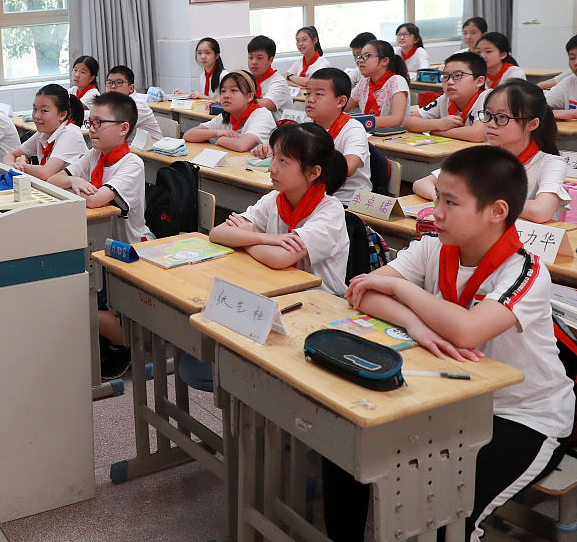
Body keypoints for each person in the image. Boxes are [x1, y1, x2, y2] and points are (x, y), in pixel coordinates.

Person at [335, 146, 572, 541]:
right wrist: (417, 325)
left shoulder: (525, 270)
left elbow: (468, 332)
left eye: (450, 202)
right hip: (451, 397)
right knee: (350, 451)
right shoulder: (435, 247)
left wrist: (397, 287)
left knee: (449, 517)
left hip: (524, 415)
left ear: (496, 211)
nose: (435, 211)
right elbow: (361, 291)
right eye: (436, 197)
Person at [49, 91, 151, 378]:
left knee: (81, 305)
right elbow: (53, 179)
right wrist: (73, 179)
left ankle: (124, 342)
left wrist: (77, 187)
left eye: (98, 123)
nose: (90, 129)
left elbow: (96, 201)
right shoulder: (95, 155)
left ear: (123, 128)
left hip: (127, 250)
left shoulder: (131, 164)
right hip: (98, 243)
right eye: (89, 122)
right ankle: (107, 334)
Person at [211, 123, 351, 296]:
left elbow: (280, 258)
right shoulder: (276, 198)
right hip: (274, 287)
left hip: (319, 302)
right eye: (274, 156)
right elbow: (217, 233)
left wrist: (245, 240)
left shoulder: (330, 211)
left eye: (283, 161)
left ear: (314, 172)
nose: (271, 167)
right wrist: (266, 239)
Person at [413, 80, 570, 222]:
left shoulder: (551, 163)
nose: (491, 124)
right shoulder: (483, 155)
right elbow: (422, 183)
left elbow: (540, 211)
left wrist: (477, 201)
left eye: (502, 117)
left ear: (532, 124)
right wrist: (444, 198)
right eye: (488, 115)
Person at [255, 67, 370, 206]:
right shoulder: (306, 126)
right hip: (309, 196)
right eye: (308, 93)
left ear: (340, 101)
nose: (310, 99)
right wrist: (274, 153)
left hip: (346, 203)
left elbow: (348, 167)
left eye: (319, 95)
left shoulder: (353, 129)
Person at [4, 84, 87, 180]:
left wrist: (20, 165)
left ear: (62, 115)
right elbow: (10, 155)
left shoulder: (70, 133)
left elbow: (46, 173)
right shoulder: (43, 133)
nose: (36, 116)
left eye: (44, 110)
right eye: (35, 109)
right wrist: (12, 165)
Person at [183, 70, 277, 152]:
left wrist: (220, 140)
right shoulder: (226, 115)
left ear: (250, 96)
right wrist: (216, 132)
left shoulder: (262, 115)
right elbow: (188, 135)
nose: (226, 95)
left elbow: (241, 145)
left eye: (233, 90)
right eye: (223, 91)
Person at [404, 51, 489, 142]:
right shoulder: (445, 99)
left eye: (458, 76)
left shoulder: (489, 99)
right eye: (445, 76)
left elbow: (477, 134)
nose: (449, 82)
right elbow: (409, 122)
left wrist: (437, 132)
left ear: (479, 81)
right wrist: (439, 124)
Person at [347, 39, 410, 128]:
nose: (360, 61)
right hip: (371, 133)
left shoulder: (397, 81)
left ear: (384, 61)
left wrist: (359, 122)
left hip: (395, 136)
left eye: (367, 56)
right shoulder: (364, 83)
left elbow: (396, 119)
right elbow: (343, 108)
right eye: (360, 57)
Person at [105, 65, 162, 142]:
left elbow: (114, 129)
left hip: (150, 151)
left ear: (131, 88)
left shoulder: (137, 105)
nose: (113, 86)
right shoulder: (113, 102)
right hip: (131, 148)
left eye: (119, 83)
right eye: (109, 82)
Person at [247, 35, 292, 119]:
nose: (253, 62)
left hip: (279, 129)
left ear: (270, 60)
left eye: (259, 58)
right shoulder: (247, 80)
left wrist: (237, 100)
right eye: (250, 57)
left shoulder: (278, 82)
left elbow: (267, 104)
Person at [543, 33, 577, 118]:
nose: (576, 63)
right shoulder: (569, 82)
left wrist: (568, 114)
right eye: (572, 58)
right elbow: (542, 103)